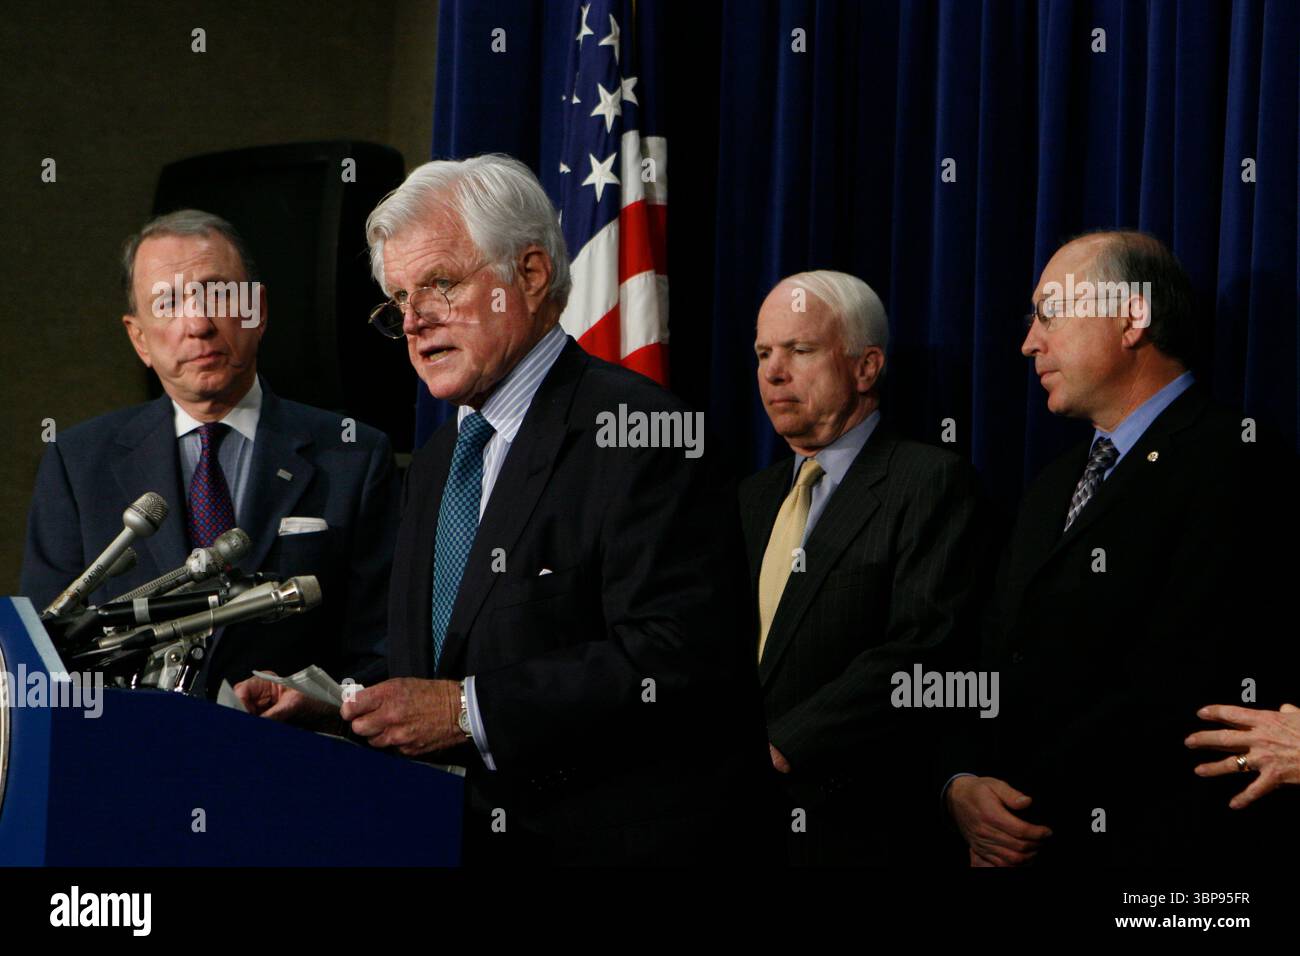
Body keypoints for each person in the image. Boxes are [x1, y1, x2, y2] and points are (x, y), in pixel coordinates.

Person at [239, 155, 772, 865]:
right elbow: (438, 668)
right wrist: (344, 713)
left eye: (439, 284)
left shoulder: (643, 432)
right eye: (398, 299)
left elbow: (675, 660)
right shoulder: (433, 463)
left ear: (528, 275)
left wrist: (466, 711)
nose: (415, 320)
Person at [944, 230, 1287, 866]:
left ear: (1132, 317)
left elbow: (1182, 686)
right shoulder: (1052, 485)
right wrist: (963, 782)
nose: (1028, 342)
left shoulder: (1236, 462)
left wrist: (1035, 797)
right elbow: (995, 648)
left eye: (1050, 313)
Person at [22, 209, 397, 694]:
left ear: (257, 311)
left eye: (218, 295)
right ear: (139, 338)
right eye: (168, 304)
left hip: (292, 755)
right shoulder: (77, 464)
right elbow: (46, 654)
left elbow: (382, 649)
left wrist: (322, 707)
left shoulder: (353, 456)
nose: (198, 324)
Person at [740, 270, 984, 865]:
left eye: (800, 350)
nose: (774, 372)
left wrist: (781, 745)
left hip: (857, 824)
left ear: (866, 367)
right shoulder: (749, 498)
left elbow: (922, 648)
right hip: (738, 821)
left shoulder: (927, 480)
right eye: (764, 353)